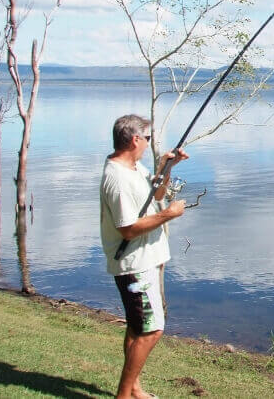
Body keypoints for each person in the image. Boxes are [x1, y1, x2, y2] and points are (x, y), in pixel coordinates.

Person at [100, 114, 187, 399]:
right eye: (147, 138)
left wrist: (166, 167)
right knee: (151, 331)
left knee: (138, 328)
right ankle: (124, 395)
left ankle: (134, 389)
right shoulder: (118, 179)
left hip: (145, 261)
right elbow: (127, 230)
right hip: (135, 267)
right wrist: (168, 215)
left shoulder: (133, 168)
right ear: (135, 139)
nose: (148, 143)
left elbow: (157, 192)